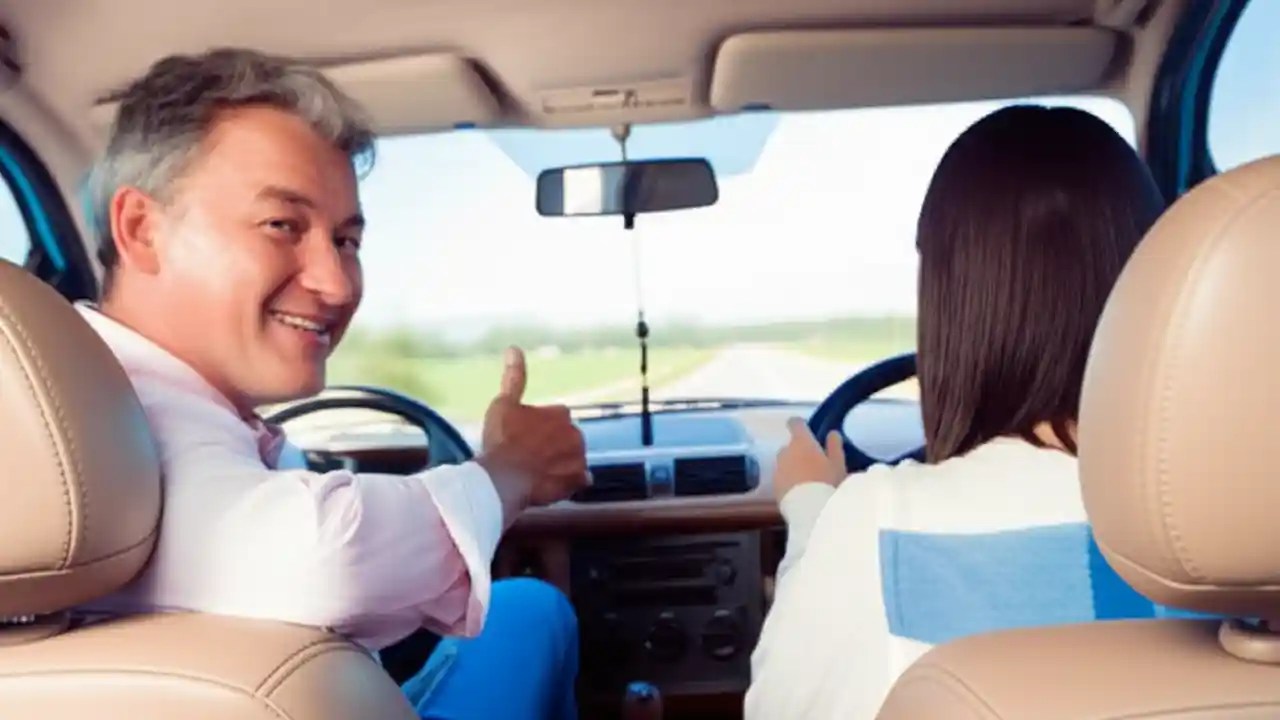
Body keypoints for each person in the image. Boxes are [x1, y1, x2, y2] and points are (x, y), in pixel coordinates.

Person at [73, 48, 587, 720]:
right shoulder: (93, 419)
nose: (337, 284)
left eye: (346, 241)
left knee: (526, 608)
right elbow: (325, 559)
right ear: (142, 229)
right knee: (536, 613)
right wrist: (511, 472)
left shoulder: (122, 400)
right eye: (282, 226)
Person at [745, 105, 1169, 719]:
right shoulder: (1235, 527)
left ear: (953, 303)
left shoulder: (878, 524)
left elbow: (780, 710)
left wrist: (813, 512)